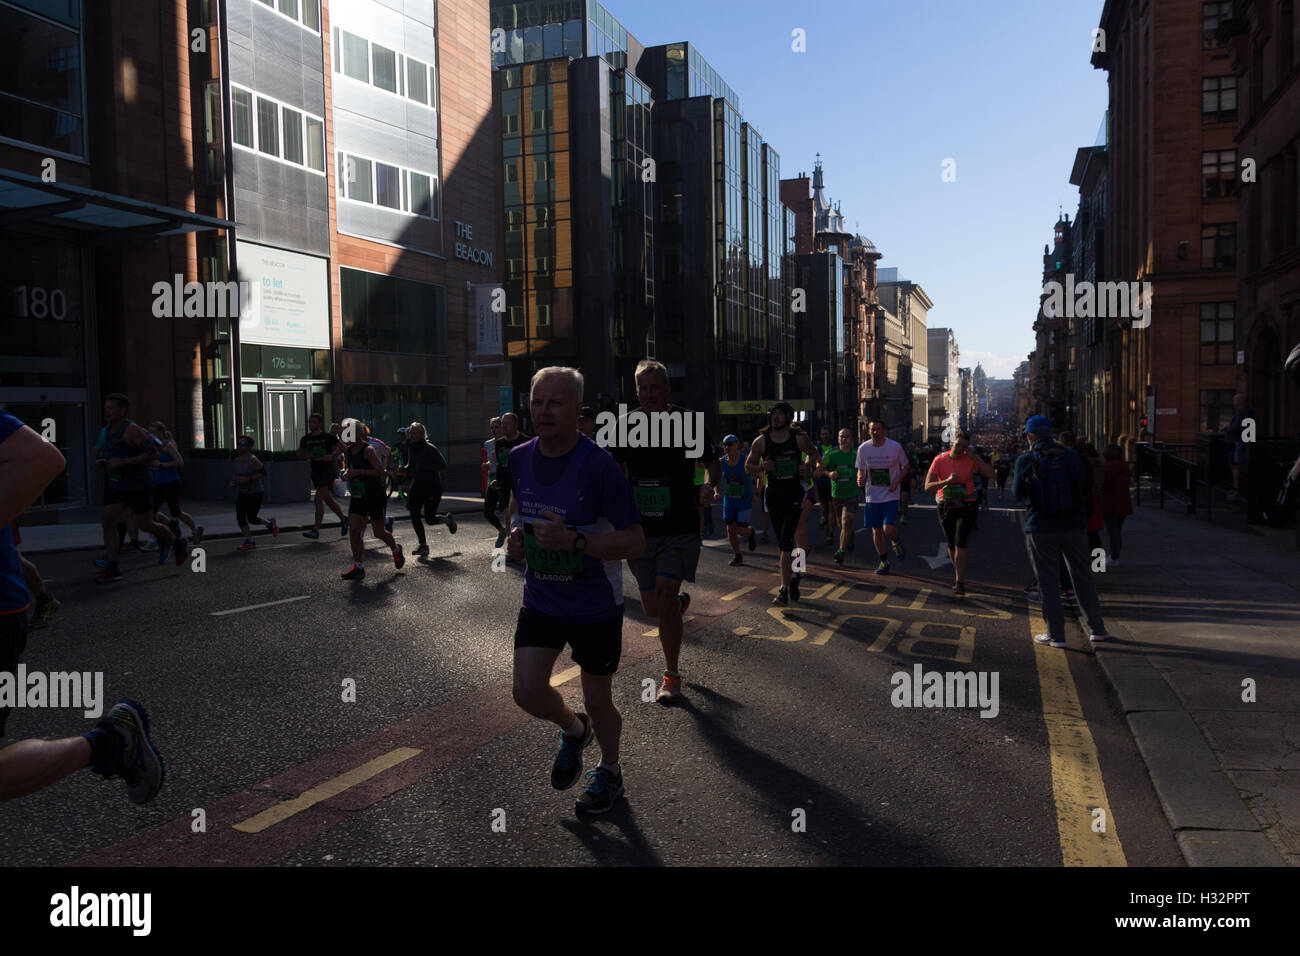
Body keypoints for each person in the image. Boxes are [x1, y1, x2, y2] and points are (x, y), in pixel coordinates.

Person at [505, 367, 644, 815]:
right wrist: (514, 537)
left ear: (577, 410)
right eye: (537, 401)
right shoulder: (519, 457)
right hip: (542, 599)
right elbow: (517, 510)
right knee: (526, 692)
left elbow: (635, 541)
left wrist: (577, 542)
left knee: (598, 699)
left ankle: (610, 770)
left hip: (594, 606)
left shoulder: (599, 466)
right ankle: (572, 729)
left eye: (555, 402)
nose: (543, 411)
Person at [613, 359, 718, 705]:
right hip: (641, 531)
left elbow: (711, 465)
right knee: (653, 607)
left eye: (655, 387)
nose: (648, 394)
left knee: (663, 596)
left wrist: (708, 486)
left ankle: (670, 675)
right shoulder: (626, 427)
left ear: (667, 389)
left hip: (679, 527)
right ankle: (674, 605)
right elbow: (612, 469)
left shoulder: (687, 423)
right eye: (642, 388)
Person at [1013, 416, 1112, 647]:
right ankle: (1097, 629)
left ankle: (1056, 635)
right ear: (1052, 434)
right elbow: (1087, 490)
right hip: (1074, 526)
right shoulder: (1074, 457)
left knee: (1048, 581)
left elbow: (1018, 494)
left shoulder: (1026, 460)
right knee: (1083, 576)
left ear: (1029, 435)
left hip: (1040, 527)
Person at [92, 394, 185, 582]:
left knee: (146, 525)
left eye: (111, 408)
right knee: (107, 520)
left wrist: (123, 461)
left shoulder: (132, 430)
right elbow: (114, 455)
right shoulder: (108, 430)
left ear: (123, 411)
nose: (107, 411)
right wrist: (106, 462)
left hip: (138, 484)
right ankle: (113, 566)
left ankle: (177, 542)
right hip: (117, 484)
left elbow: (152, 453)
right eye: (106, 407)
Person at [746, 401, 821, 605]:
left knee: (788, 540)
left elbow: (814, 454)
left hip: (795, 493)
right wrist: (763, 468)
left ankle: (783, 588)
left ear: (788, 417)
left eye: (780, 414)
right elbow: (748, 466)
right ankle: (797, 574)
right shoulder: (761, 441)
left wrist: (807, 465)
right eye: (773, 414)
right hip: (774, 496)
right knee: (783, 543)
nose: (776, 417)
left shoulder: (799, 439)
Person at [924, 430, 993, 596]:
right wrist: (947, 481)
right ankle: (958, 574)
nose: (960, 449)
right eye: (957, 444)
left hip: (967, 504)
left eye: (964, 447)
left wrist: (975, 457)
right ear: (951, 443)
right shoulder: (939, 460)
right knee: (951, 544)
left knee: (960, 541)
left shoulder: (969, 459)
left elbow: (991, 475)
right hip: (946, 505)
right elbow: (927, 487)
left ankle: (959, 581)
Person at [340, 419, 404, 580]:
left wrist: (359, 472)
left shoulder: (368, 450)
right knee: (354, 530)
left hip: (374, 494)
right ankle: (358, 566)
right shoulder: (348, 450)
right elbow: (349, 468)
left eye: (353, 432)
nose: (350, 435)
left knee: (379, 532)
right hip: (358, 495)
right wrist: (346, 473)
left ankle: (396, 549)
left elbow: (380, 473)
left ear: (361, 433)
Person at [855, 420, 909, 575]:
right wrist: (860, 477)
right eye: (873, 430)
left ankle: (896, 541)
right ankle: (884, 561)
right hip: (872, 495)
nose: (876, 432)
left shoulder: (895, 447)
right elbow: (861, 469)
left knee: (888, 528)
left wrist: (896, 482)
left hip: (891, 493)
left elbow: (906, 466)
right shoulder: (863, 448)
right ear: (869, 431)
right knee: (876, 530)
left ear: (884, 431)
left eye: (878, 429)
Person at [404, 421, 457, 556]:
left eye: (414, 433)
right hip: (417, 486)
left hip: (432, 487)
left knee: (429, 519)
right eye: (410, 433)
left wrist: (424, 468)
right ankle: (423, 545)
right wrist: (403, 470)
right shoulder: (411, 447)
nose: (411, 435)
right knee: (414, 514)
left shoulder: (430, 448)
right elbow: (411, 466)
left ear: (422, 434)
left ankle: (448, 520)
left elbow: (443, 465)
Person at [147, 421, 202, 548]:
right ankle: (153, 540)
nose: (151, 435)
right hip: (159, 482)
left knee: (175, 512)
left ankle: (195, 528)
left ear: (161, 432)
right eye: (150, 432)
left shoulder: (168, 445)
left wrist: (161, 465)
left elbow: (180, 462)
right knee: (152, 511)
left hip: (172, 482)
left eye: (153, 432)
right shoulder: (154, 447)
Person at [299, 413, 347, 538]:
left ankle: (316, 530)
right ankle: (344, 519)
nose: (311, 425)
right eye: (310, 422)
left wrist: (332, 455)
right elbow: (299, 454)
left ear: (320, 424)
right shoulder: (306, 439)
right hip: (315, 471)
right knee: (328, 499)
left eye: (314, 422)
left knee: (318, 499)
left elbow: (343, 448)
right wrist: (306, 456)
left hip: (328, 470)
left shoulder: (328, 437)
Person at [228, 437, 278, 550]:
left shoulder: (252, 459)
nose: (240, 446)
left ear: (249, 447)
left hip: (255, 492)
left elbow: (263, 473)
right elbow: (234, 475)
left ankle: (270, 523)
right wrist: (232, 482)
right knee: (240, 517)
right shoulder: (236, 461)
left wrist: (249, 479)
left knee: (252, 518)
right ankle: (249, 540)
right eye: (238, 443)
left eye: (243, 444)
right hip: (242, 492)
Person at [716, 435, 757, 566]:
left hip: (744, 499)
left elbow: (759, 475)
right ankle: (737, 555)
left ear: (737, 445)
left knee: (740, 529)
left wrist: (757, 493)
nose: (726, 447)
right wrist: (716, 491)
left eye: (729, 444)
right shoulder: (721, 461)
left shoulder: (745, 460)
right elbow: (714, 474)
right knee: (730, 529)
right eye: (724, 444)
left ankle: (750, 533)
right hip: (730, 500)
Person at [823, 428, 859, 563]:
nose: (844, 439)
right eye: (841, 437)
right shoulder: (831, 453)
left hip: (852, 494)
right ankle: (849, 536)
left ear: (852, 439)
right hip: (837, 494)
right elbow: (820, 466)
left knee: (845, 521)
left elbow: (866, 468)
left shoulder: (857, 454)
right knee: (841, 524)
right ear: (837, 439)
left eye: (847, 437)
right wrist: (829, 474)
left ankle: (841, 551)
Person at [1101, 444, 1133, 566]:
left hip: (1110, 503)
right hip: (1123, 503)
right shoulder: (1124, 466)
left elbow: (1103, 485)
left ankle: (1114, 557)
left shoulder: (1106, 468)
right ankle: (1115, 556)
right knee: (1117, 531)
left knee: (1112, 532)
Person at [1223, 393, 1254, 501]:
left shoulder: (1242, 413)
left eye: (1234, 401)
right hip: (1240, 442)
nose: (1233, 403)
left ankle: (1236, 488)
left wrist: (1227, 428)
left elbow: (1235, 427)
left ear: (1240, 401)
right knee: (1236, 465)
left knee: (1236, 465)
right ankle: (1236, 487)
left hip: (1238, 443)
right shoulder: (1245, 412)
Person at [482, 417, 505, 544]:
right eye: (492, 427)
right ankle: (502, 531)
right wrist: (487, 464)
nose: (494, 430)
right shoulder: (488, 444)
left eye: (497, 427)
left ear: (502, 428)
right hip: (493, 478)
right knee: (487, 511)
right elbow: (492, 461)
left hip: (505, 478)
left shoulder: (508, 442)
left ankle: (516, 537)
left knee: (506, 509)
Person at [814, 426, 836, 538]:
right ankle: (825, 517)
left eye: (827, 434)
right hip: (821, 481)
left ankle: (830, 531)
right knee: (824, 505)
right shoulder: (817, 448)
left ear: (831, 435)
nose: (825, 436)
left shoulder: (835, 446)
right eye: (823, 434)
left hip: (833, 481)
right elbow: (815, 462)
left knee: (832, 506)